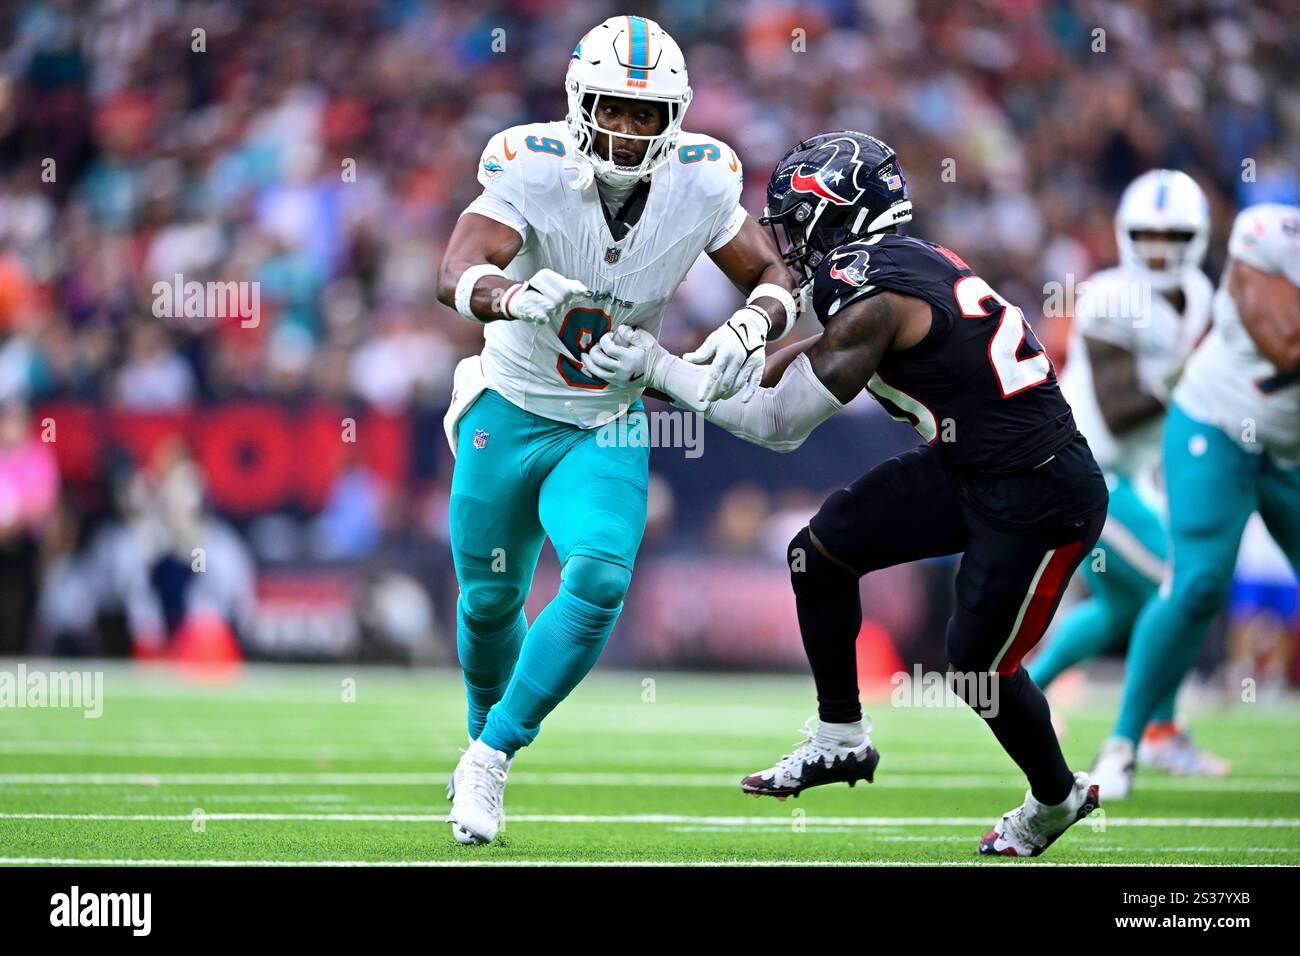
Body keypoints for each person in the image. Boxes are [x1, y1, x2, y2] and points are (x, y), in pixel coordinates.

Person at [585, 130, 1109, 856]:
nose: (792, 242)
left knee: (975, 667)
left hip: (1040, 490)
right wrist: (724, 358)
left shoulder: (865, 286)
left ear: (840, 213)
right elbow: (814, 357)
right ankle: (840, 738)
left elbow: (779, 426)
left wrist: (662, 371)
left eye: (799, 221)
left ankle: (1056, 798)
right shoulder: (905, 264)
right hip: (970, 464)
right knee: (820, 553)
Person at [433, 15, 796, 845]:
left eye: (646, 114)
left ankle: (491, 758)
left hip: (605, 420)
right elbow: (455, 269)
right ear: (577, 102)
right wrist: (514, 297)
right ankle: (479, 740)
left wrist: (751, 326)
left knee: (597, 579)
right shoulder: (529, 163)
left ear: (674, 119)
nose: (628, 129)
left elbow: (772, 274)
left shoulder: (701, 182)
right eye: (612, 107)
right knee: (490, 599)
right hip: (508, 403)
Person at [1090, 202, 1300, 798]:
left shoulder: (1196, 294)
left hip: (1289, 447)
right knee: (1197, 582)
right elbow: (1288, 345)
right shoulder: (1267, 236)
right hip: (1217, 428)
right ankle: (1127, 742)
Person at [1030, 170, 1229, 779]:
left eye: (1175, 236)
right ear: (1126, 234)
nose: (1161, 249)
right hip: (1084, 470)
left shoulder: (1196, 291)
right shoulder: (1112, 295)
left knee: (1121, 607)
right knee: (1180, 586)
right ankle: (1161, 729)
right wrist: (1195, 376)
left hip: (1117, 475)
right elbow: (1119, 409)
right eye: (1148, 235)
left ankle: (1021, 696)